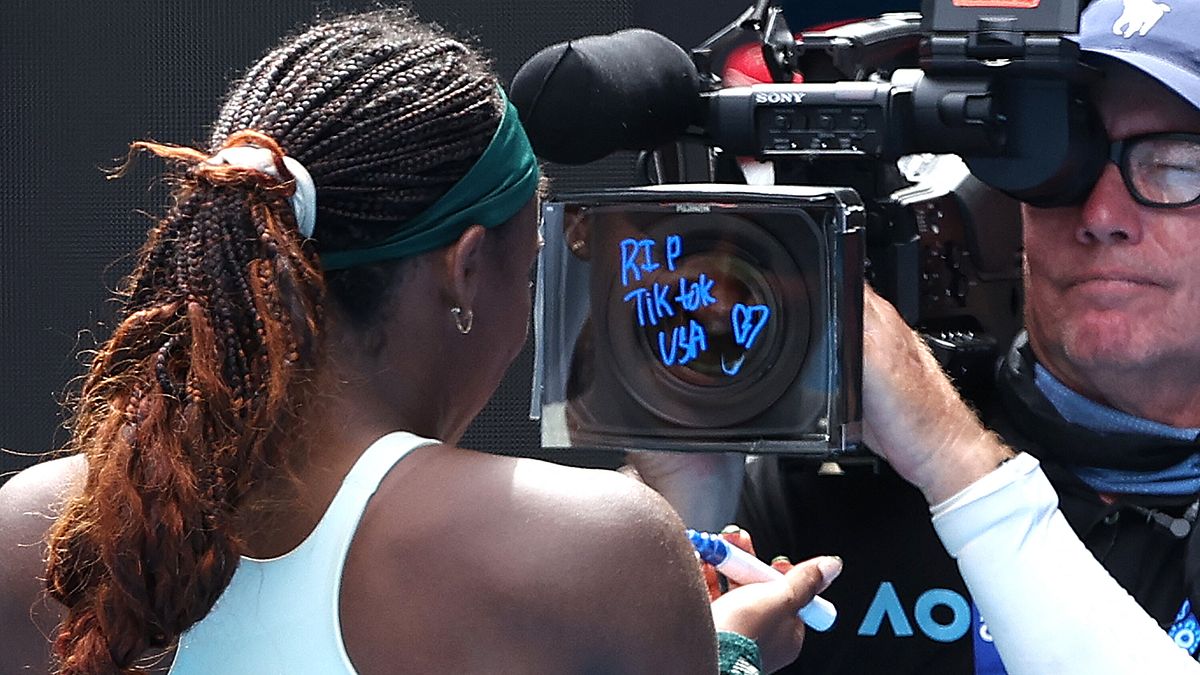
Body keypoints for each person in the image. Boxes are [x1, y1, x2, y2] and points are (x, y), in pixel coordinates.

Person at [0, 9, 843, 674]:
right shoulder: (597, 546)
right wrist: (727, 651)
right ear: (466, 271)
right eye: (530, 270)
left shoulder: (29, 527)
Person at [642, 0, 1200, 672]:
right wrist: (678, 515)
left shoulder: (936, 448)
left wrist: (954, 460)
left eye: (1176, 165)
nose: (1102, 214)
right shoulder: (837, 472)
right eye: (1062, 158)